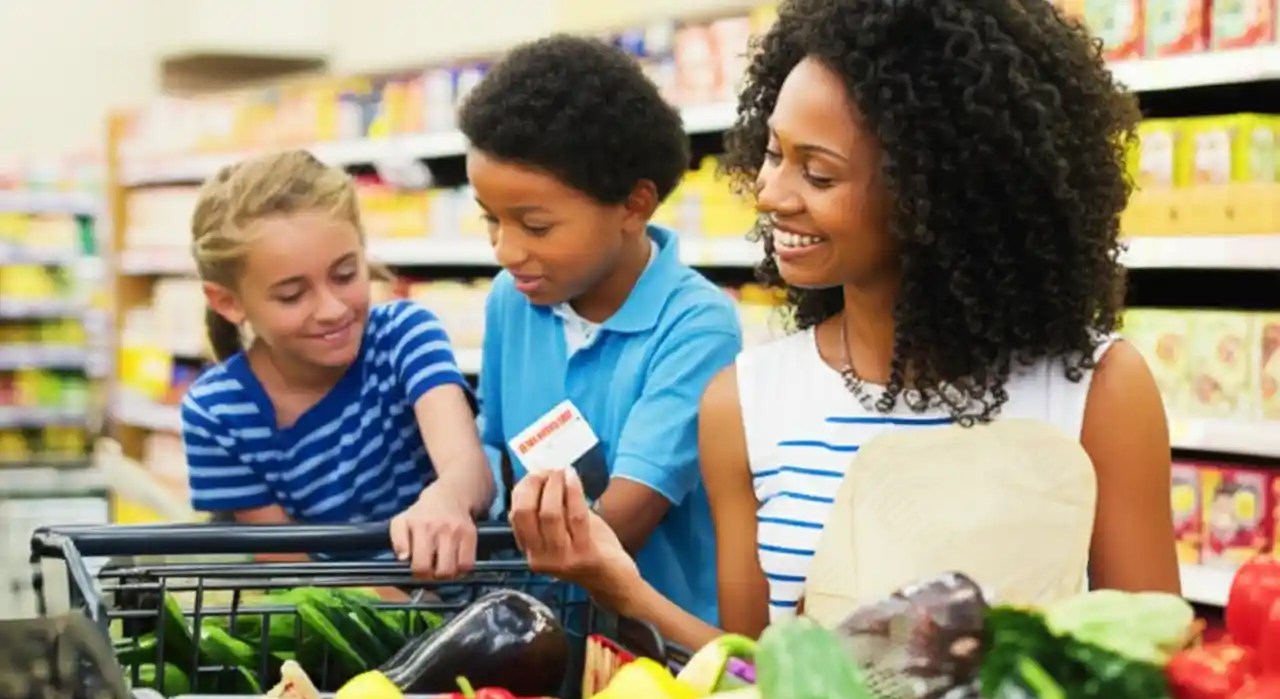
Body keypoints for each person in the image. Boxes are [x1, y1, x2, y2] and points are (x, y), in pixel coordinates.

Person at [509, 0, 1181, 649]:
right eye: (774, 154)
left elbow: (1153, 670)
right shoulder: (744, 404)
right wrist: (620, 587)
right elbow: (759, 678)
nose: (771, 194)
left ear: (933, 191)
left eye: (818, 173)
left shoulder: (1096, 391)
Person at [459, 34, 743, 624]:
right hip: (538, 636)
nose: (506, 250)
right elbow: (493, 445)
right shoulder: (511, 302)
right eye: (491, 219)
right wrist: (453, 494)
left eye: (535, 226)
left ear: (634, 206)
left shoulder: (696, 325)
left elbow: (621, 524)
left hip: (659, 648)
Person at [180, 150, 494, 578]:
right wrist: (406, 621)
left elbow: (469, 471)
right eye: (292, 295)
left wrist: (449, 499)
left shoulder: (403, 337)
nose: (331, 309)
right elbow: (292, 570)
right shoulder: (216, 413)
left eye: (345, 275)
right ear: (228, 302)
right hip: (341, 626)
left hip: (471, 607)